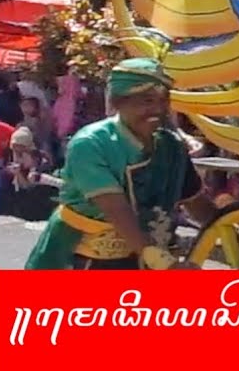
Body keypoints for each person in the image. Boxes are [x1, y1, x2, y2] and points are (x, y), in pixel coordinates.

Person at [23, 57, 217, 270]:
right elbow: (115, 209)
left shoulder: (171, 146)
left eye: (163, 100)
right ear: (117, 103)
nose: (158, 109)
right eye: (146, 101)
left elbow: (196, 201)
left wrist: (231, 231)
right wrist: (163, 264)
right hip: (84, 259)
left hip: (148, 254)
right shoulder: (91, 144)